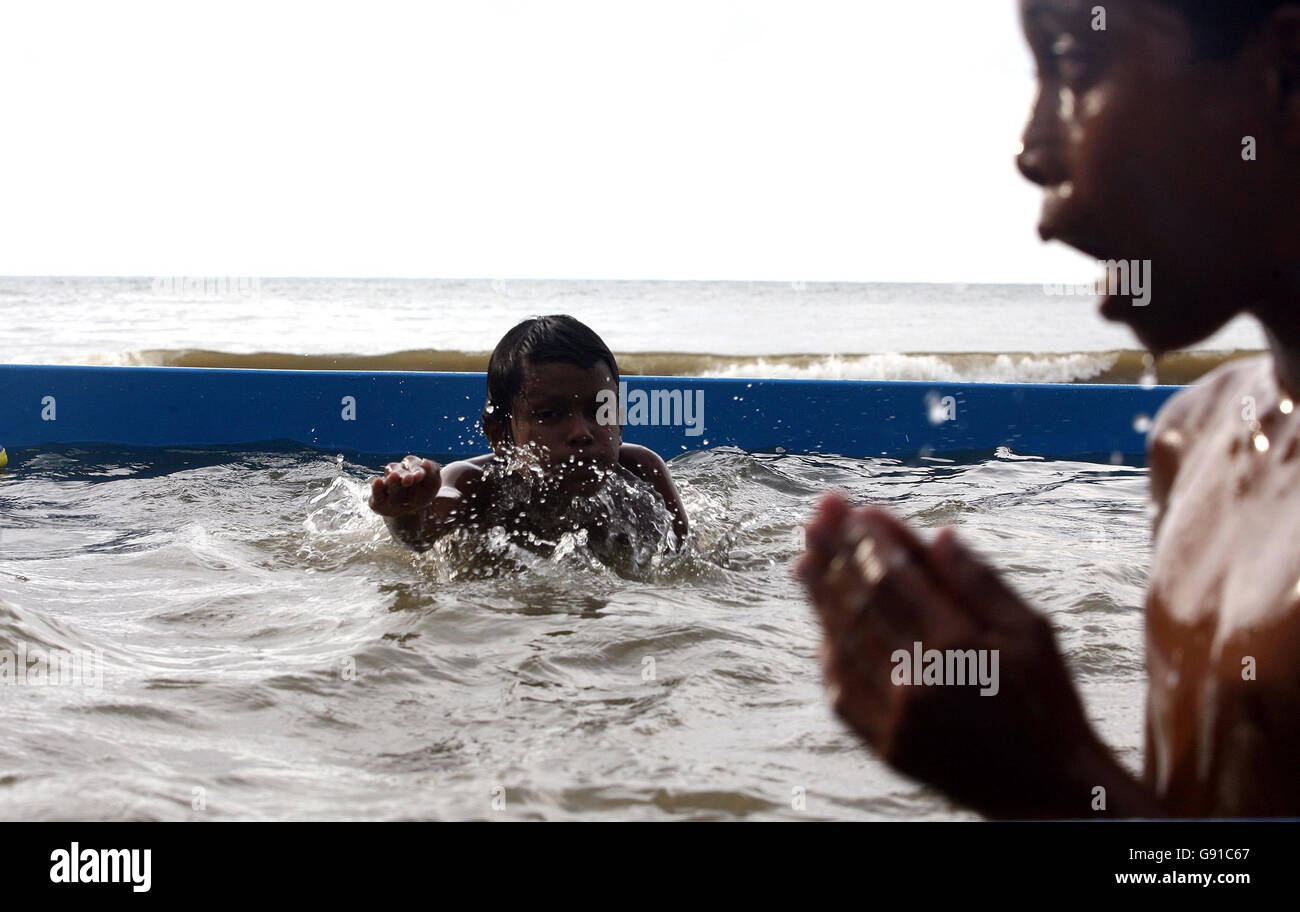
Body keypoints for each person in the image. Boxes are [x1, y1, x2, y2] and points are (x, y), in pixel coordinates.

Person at [798, 0, 1300, 817]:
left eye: (1072, 66)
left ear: (1285, 73)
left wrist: (1053, 782)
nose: (1032, 151)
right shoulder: (1196, 439)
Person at [369, 315, 689, 557]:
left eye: (600, 411)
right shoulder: (476, 483)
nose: (581, 432)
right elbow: (422, 536)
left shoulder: (642, 471)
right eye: (549, 415)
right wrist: (408, 511)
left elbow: (683, 558)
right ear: (499, 435)